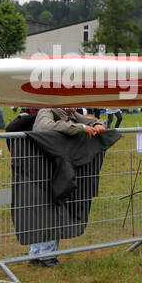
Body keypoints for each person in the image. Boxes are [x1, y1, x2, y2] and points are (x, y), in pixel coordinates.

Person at [27, 107, 106, 265]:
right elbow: (44, 127)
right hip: (44, 169)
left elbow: (93, 121)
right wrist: (80, 128)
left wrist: (98, 124)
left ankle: (37, 254)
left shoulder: (71, 114)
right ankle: (45, 255)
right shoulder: (46, 111)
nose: (75, 106)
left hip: (57, 171)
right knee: (49, 209)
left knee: (52, 208)